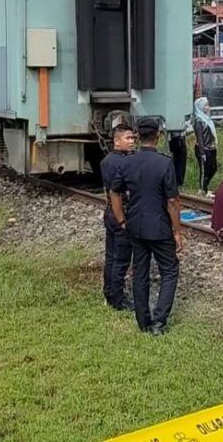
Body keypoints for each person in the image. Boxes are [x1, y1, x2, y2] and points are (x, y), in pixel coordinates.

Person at [110, 118, 184, 336]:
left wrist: (121, 219)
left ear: (137, 136)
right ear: (158, 136)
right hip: (160, 227)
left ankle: (143, 321)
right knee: (169, 271)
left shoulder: (127, 162)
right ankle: (159, 321)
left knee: (140, 272)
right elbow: (172, 201)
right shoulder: (164, 163)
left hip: (135, 226)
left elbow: (114, 192)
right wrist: (177, 231)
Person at [100, 123, 137, 311]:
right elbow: (120, 192)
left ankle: (109, 291)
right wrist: (123, 220)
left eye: (133, 138)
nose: (131, 142)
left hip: (109, 213)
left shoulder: (107, 160)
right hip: (121, 213)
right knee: (121, 258)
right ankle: (117, 297)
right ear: (116, 141)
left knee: (111, 255)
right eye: (127, 138)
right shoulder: (121, 163)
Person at [192, 96, 218, 197]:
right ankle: (202, 190)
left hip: (211, 148)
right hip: (203, 149)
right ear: (200, 107)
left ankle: (205, 187)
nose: (208, 107)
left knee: (213, 168)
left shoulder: (208, 119)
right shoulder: (199, 121)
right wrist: (202, 152)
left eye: (208, 105)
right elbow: (200, 138)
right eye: (206, 105)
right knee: (204, 170)